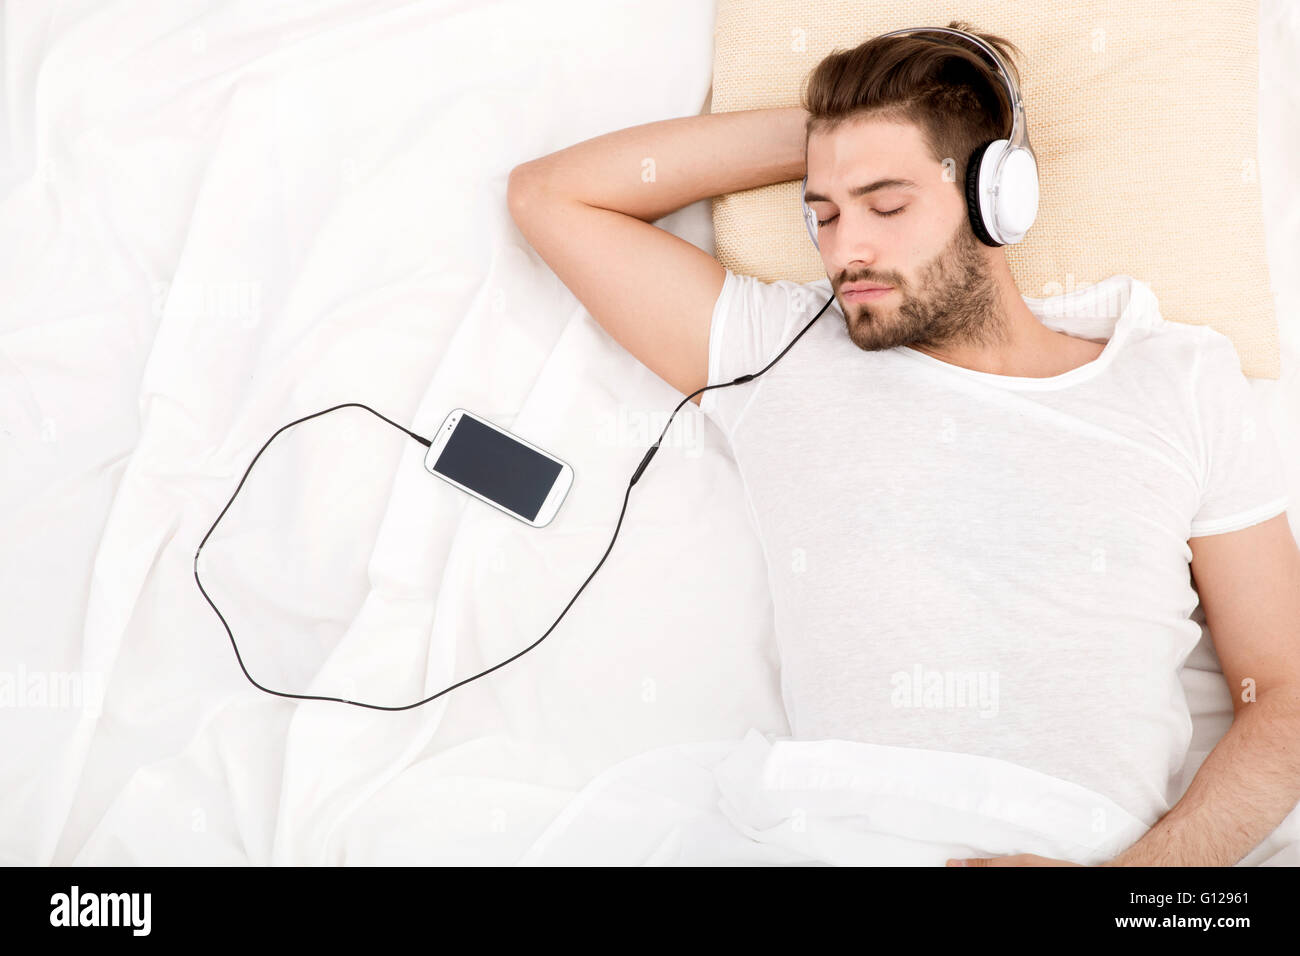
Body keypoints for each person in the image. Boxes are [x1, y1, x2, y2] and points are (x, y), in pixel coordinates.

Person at [506, 21, 1300, 866]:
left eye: (887, 205)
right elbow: (549, 198)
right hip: (826, 834)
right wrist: (829, 145)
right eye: (822, 213)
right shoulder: (782, 352)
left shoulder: (1179, 380)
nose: (847, 249)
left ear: (1002, 199)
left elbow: (1285, 693)